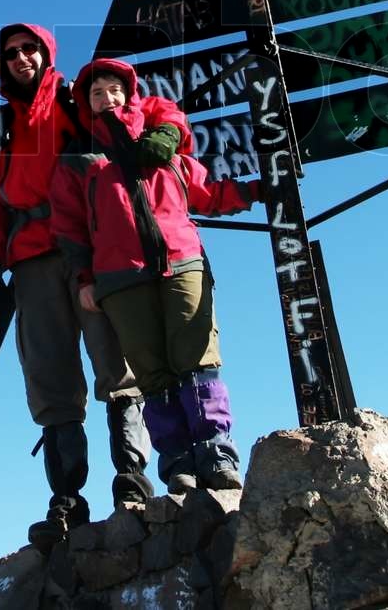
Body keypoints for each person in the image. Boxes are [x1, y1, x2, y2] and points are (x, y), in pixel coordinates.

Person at [0, 25, 155, 544]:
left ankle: (132, 482)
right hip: (30, 259)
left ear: (45, 52)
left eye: (29, 48)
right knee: (50, 378)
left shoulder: (78, 99)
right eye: (10, 52)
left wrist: (165, 131)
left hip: (90, 246)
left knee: (115, 363)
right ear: (1, 63)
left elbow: (144, 113)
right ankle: (68, 499)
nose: (20, 58)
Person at [49, 58, 258, 493]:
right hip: (120, 279)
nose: (107, 98)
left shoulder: (164, 149)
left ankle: (216, 453)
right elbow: (68, 227)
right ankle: (177, 462)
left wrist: (260, 189)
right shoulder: (77, 159)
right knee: (152, 374)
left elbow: (208, 192)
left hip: (182, 262)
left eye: (113, 89)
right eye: (96, 93)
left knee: (198, 359)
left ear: (129, 94)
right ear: (85, 103)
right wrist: (84, 279)